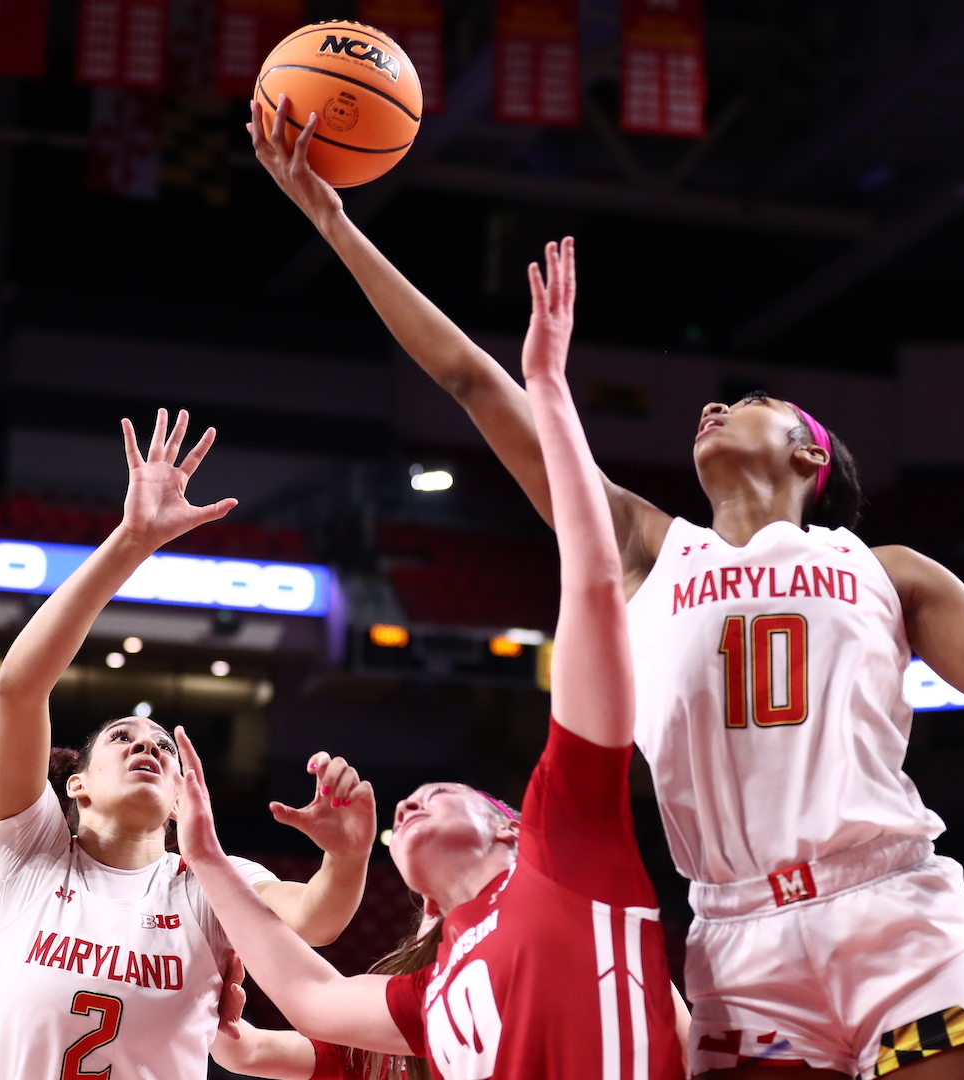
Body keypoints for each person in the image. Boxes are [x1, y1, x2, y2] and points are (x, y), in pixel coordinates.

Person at [250, 100, 964, 1080]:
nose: (719, 409)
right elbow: (470, 382)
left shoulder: (890, 571)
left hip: (893, 908)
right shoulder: (646, 548)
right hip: (737, 933)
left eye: (755, 400)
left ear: (813, 457)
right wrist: (339, 226)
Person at [170, 233, 687, 1080]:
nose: (407, 801)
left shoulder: (565, 842)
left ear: (510, 825)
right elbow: (305, 997)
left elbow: (594, 586)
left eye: (438, 791)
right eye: (417, 797)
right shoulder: (430, 987)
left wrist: (550, 396)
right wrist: (204, 858)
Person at [0, 409, 376, 1080]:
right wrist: (131, 542)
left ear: (179, 799)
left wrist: (349, 857)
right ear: (76, 784)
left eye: (162, 743)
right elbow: (18, 689)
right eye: (123, 738)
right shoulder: (30, 851)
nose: (146, 747)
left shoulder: (207, 882)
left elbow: (316, 919)